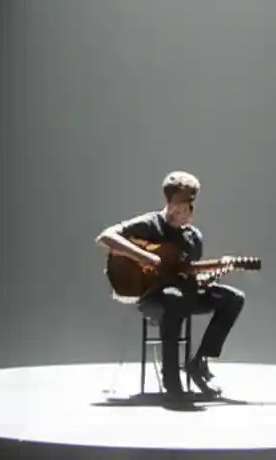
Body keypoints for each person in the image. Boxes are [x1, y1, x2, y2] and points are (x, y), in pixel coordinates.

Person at [94, 171, 245, 399]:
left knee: (233, 299)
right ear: (168, 200)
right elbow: (106, 237)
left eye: (189, 204)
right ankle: (172, 381)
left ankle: (198, 363)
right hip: (153, 296)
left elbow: (187, 275)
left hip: (182, 294)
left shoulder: (192, 237)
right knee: (175, 300)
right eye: (179, 204)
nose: (184, 210)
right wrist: (144, 257)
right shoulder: (150, 224)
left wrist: (207, 279)